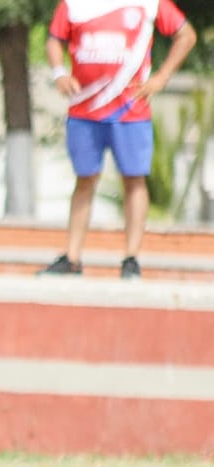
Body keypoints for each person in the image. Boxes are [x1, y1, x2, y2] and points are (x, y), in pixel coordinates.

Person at [39, 0, 195, 280]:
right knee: (85, 179)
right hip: (84, 109)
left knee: (134, 179)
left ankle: (131, 259)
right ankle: (72, 258)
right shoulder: (73, 4)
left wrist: (162, 77)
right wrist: (59, 73)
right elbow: (54, 40)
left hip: (130, 110)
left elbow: (186, 34)